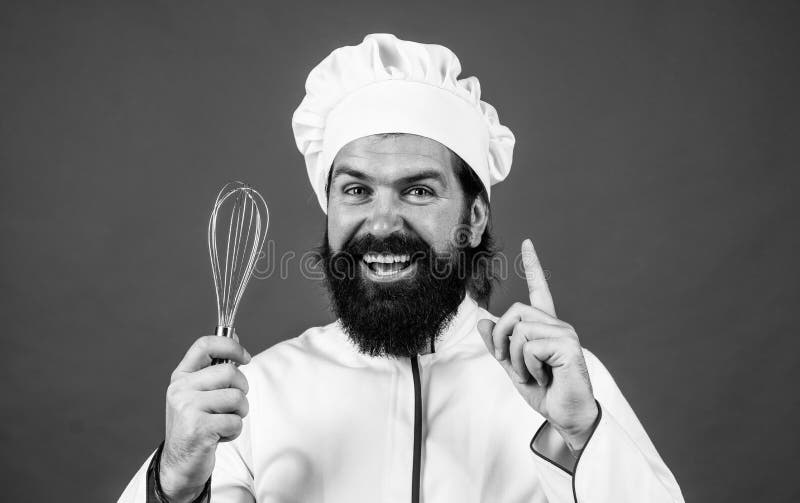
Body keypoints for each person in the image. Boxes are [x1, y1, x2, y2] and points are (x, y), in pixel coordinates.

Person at [119, 33, 684, 503]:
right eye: (356, 190)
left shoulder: (565, 388)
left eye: (417, 190)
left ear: (474, 217)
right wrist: (174, 483)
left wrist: (583, 434)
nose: (383, 222)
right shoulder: (255, 396)